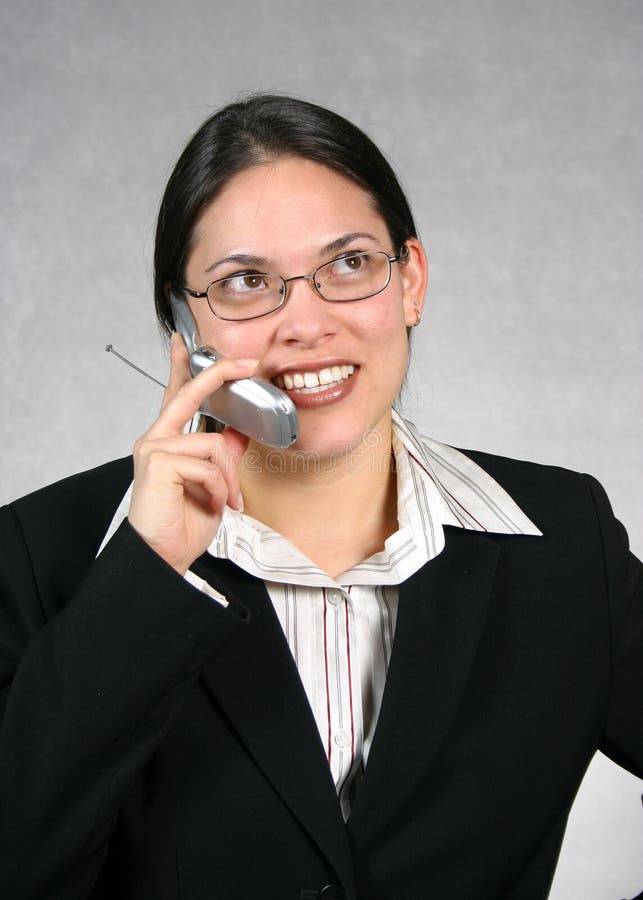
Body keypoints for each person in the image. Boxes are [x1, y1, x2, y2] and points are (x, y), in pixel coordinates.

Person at [0, 94, 641, 900]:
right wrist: (145, 575)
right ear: (181, 320)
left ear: (410, 282)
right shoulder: (37, 554)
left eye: (348, 264)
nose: (304, 325)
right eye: (244, 281)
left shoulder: (564, 539)